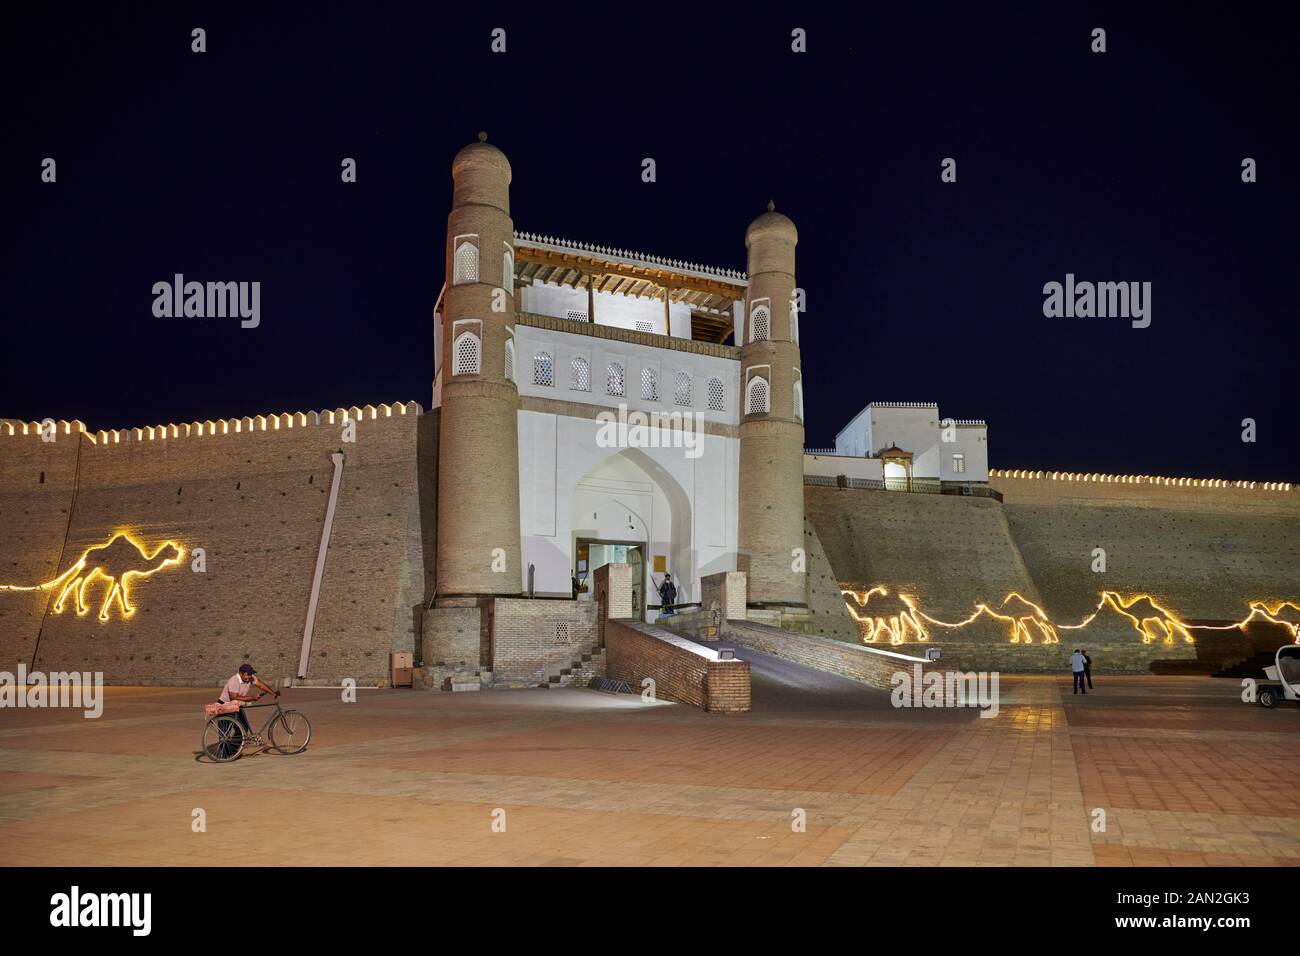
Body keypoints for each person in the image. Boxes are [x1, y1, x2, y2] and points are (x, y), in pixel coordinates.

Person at [217, 663, 278, 742]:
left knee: (243, 728)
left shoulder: (249, 678)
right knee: (224, 731)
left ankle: (234, 749)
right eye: (247, 674)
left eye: (250, 674)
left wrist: (273, 693)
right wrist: (252, 698)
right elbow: (233, 697)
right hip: (225, 704)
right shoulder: (234, 680)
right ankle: (224, 751)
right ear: (241, 673)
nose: (249, 676)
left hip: (237, 704)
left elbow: (260, 684)